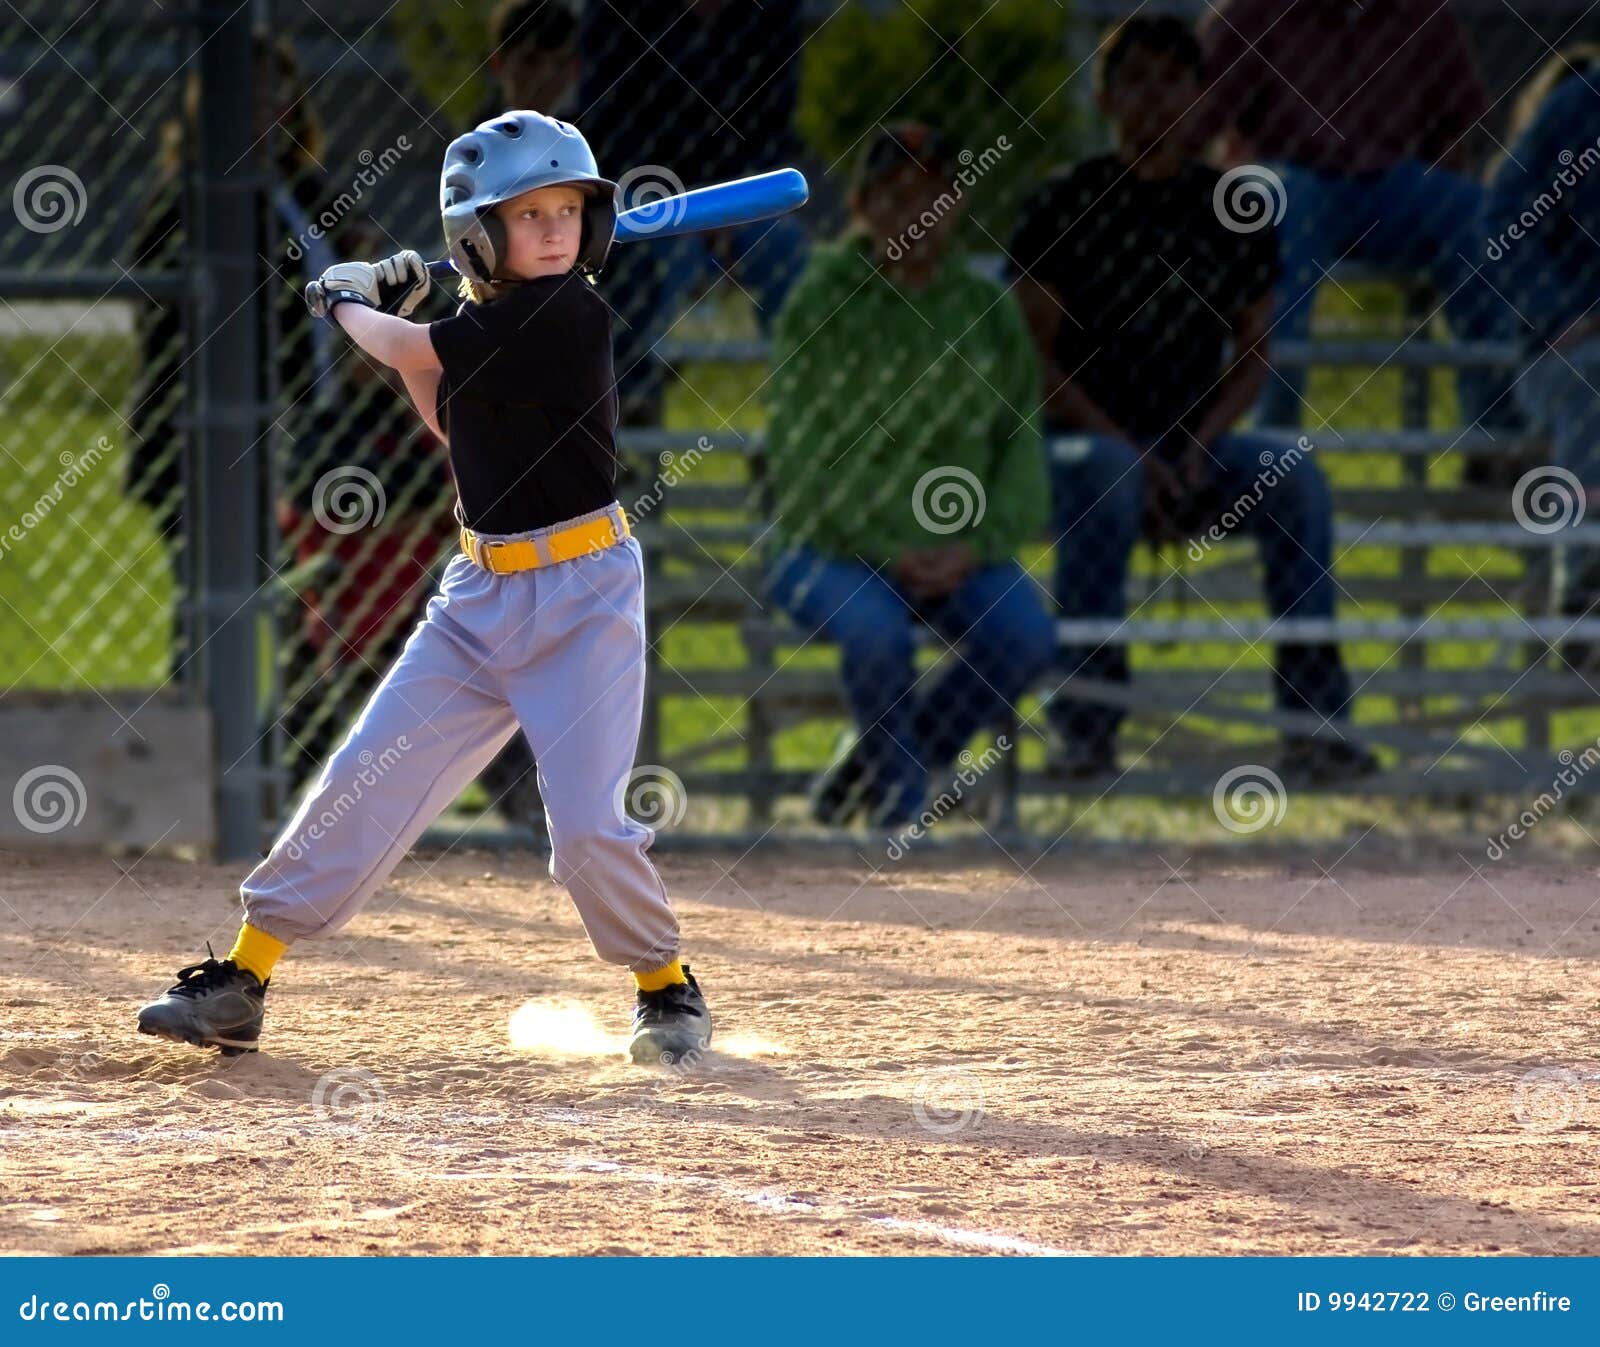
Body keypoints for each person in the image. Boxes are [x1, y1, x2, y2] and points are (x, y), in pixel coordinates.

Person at [136, 112, 710, 1067]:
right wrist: (398, 310)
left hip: (584, 598)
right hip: (480, 597)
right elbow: (444, 411)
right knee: (365, 774)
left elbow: (409, 351)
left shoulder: (569, 314)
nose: (558, 230)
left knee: (584, 834)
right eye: (529, 216)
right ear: (478, 237)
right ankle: (245, 974)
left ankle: (665, 985)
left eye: (571, 210)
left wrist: (343, 301)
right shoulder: (489, 329)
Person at [1008, 16, 1372, 785]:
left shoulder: (1234, 208)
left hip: (1196, 443)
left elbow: (1253, 352)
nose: (1155, 98)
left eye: (1174, 80)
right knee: (1104, 474)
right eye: (1136, 79)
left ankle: (1317, 726)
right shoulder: (1062, 203)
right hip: (1083, 446)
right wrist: (1134, 452)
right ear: (1105, 95)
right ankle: (1086, 724)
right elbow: (1033, 363)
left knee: (1291, 472)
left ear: (1201, 96)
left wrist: (1202, 442)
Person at [766, 123, 1054, 829]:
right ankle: (900, 806)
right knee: (875, 633)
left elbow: (1021, 445)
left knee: (1026, 637)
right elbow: (801, 461)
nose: (918, 211)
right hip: (828, 547)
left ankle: (884, 763)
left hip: (960, 551)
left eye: (936, 192)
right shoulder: (820, 302)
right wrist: (886, 543)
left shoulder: (985, 310)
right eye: (897, 194)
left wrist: (978, 544)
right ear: (862, 203)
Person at [1193, 0, 1511, 431]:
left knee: (1474, 211)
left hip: (1389, 187)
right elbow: (1193, 124)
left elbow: (1459, 127)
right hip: (1288, 179)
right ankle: (1271, 445)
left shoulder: (1420, 13)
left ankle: (1496, 439)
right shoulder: (1252, 12)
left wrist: (1440, 194)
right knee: (1287, 202)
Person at [580, 0, 809, 424]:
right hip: (647, 191)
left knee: (787, 247)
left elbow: (775, 128)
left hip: (743, 197)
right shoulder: (617, 12)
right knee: (633, 241)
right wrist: (683, 206)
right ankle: (630, 397)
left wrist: (726, 207)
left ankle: (798, 405)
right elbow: (605, 126)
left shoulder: (771, 14)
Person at [1486, 47, 1600, 655]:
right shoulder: (1580, 108)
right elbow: (1503, 214)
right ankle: (1582, 583)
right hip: (1567, 359)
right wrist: (1559, 315)